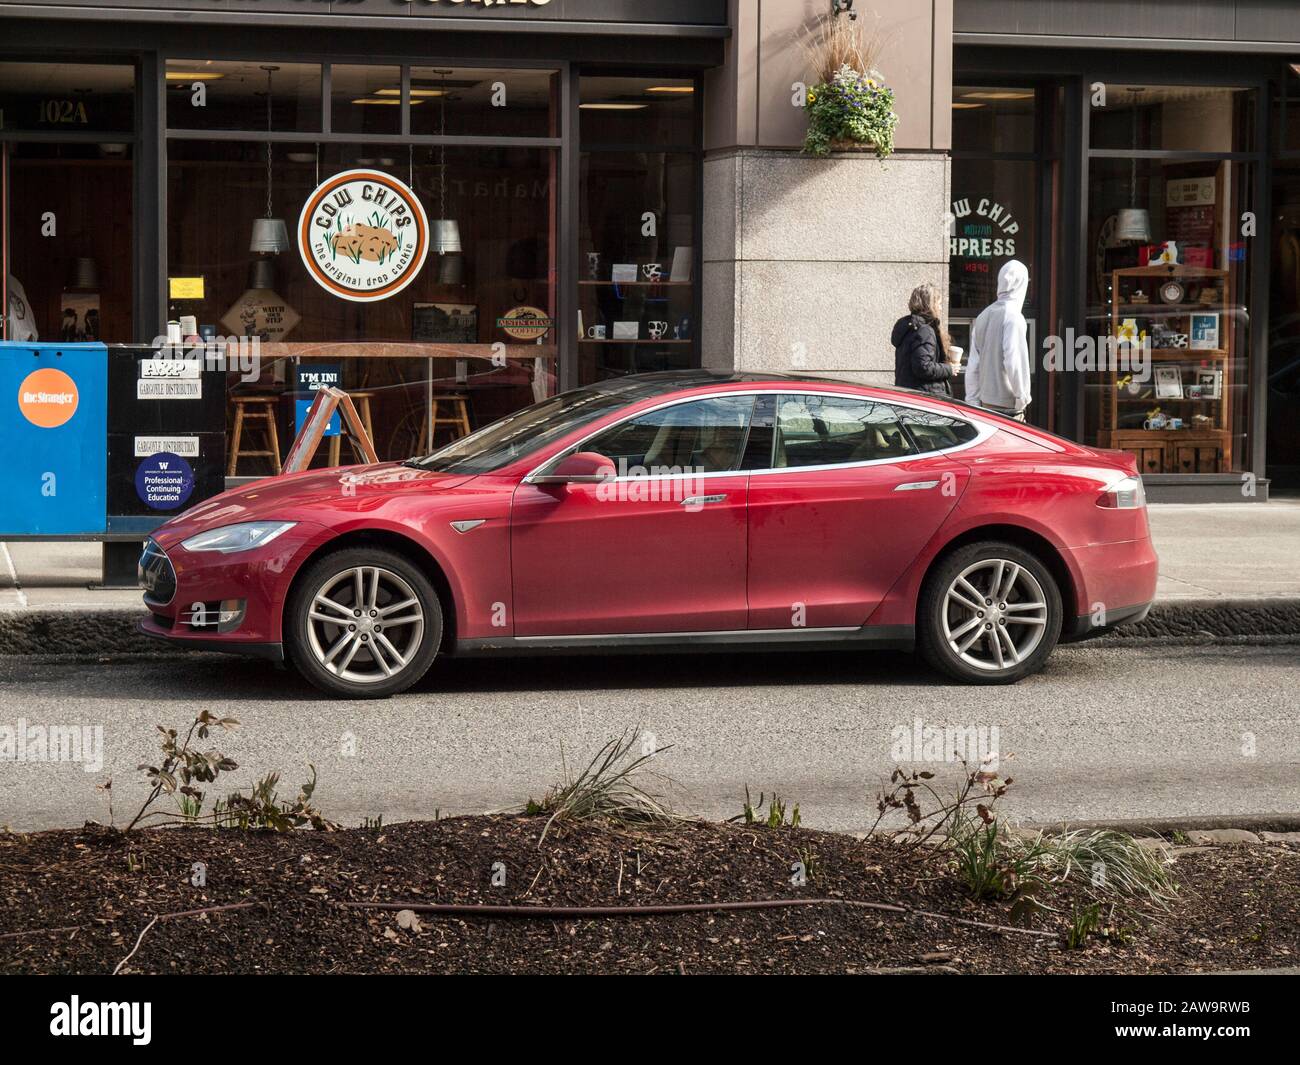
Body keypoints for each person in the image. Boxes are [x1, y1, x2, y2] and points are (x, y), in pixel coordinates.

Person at [966, 260, 1031, 421]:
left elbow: (973, 365)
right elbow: (1014, 360)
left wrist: (973, 401)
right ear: (1021, 284)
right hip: (1008, 407)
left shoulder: (983, 316)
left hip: (985, 404)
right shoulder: (1014, 317)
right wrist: (1022, 399)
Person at [892, 283, 960, 396]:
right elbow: (923, 367)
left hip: (910, 393)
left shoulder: (910, 326)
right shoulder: (924, 330)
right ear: (930, 305)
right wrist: (949, 369)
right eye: (938, 303)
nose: (940, 307)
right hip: (925, 396)